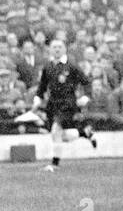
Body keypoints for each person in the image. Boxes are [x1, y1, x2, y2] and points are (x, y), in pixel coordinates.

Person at [31, 38, 96, 171]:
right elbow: (42, 86)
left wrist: (86, 97)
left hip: (68, 104)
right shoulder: (48, 66)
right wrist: (37, 98)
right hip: (52, 105)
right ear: (50, 49)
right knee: (60, 135)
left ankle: (55, 164)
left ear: (64, 49)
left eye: (59, 47)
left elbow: (86, 82)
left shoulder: (71, 66)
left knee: (56, 130)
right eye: (54, 47)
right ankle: (84, 133)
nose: (57, 49)